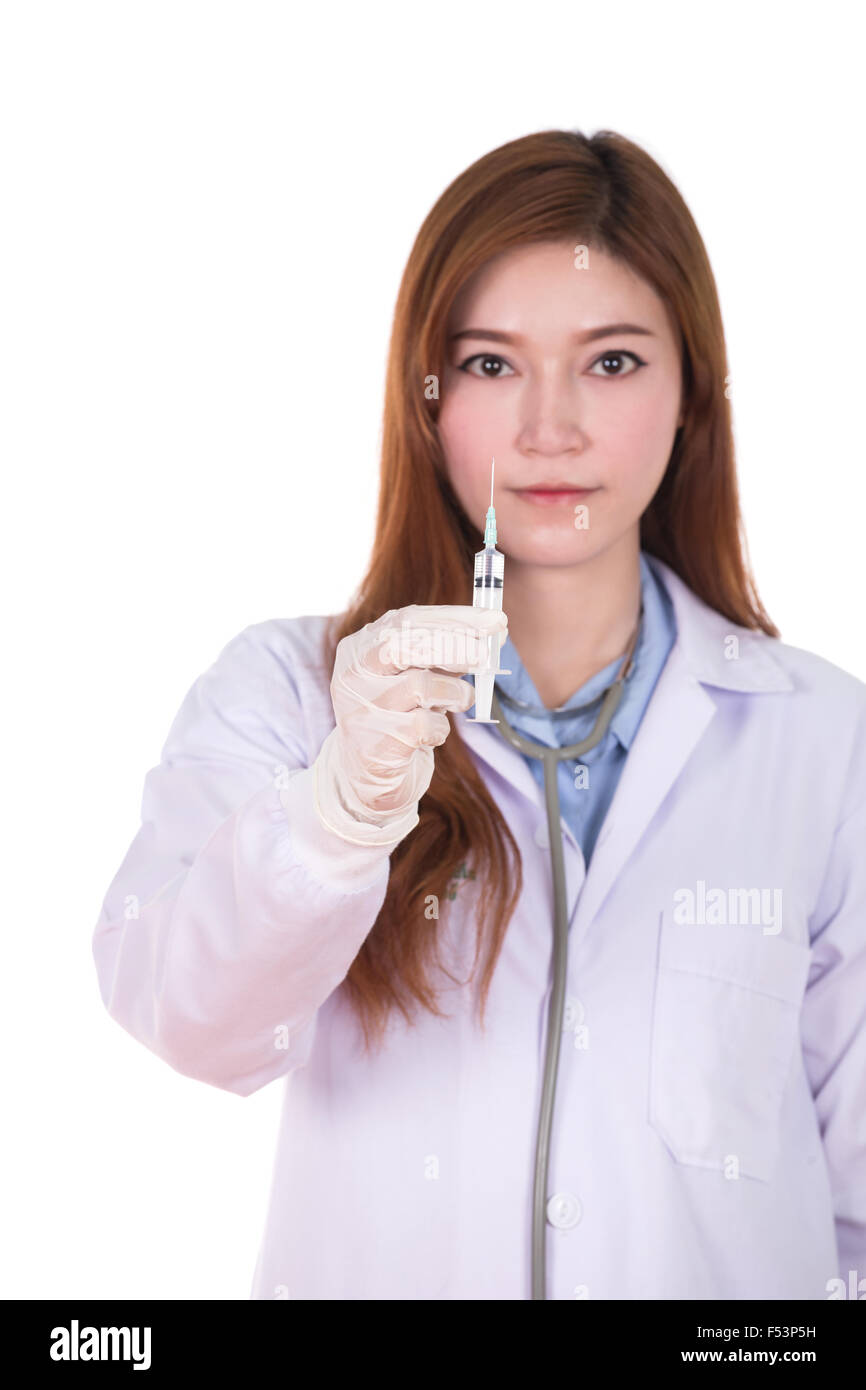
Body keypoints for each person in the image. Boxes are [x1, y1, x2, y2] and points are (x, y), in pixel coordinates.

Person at [92, 128, 866, 1301]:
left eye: (610, 362)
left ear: (692, 392)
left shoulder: (819, 738)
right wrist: (334, 817)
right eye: (493, 364)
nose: (548, 428)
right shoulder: (290, 693)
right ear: (427, 393)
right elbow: (186, 1018)